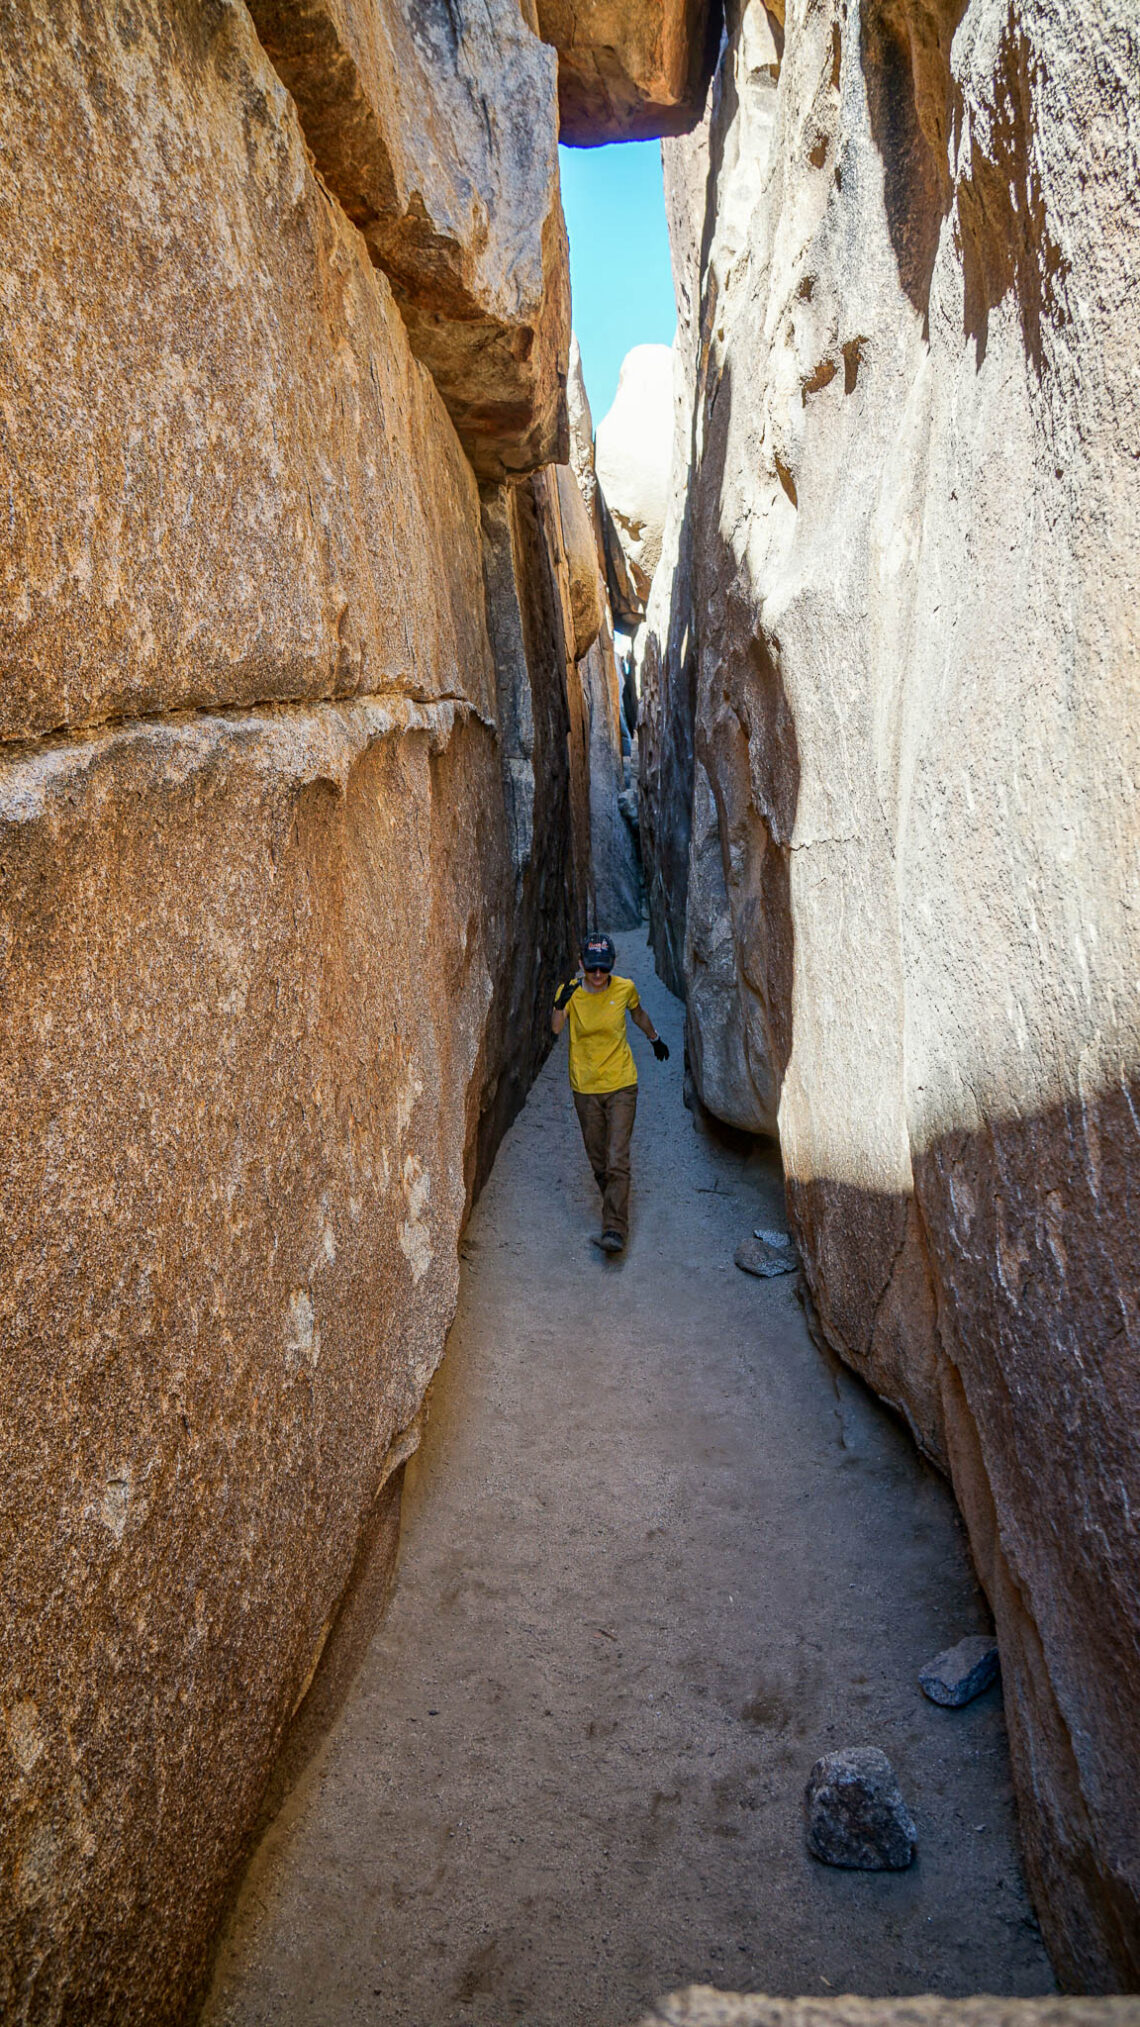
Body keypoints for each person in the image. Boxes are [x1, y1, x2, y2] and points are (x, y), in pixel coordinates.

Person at [551, 933, 669, 1255]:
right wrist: (559, 1006)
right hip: (585, 1087)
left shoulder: (624, 988)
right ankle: (613, 1206)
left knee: (617, 1158)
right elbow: (556, 1028)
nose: (599, 976)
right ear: (581, 965)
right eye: (592, 970)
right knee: (599, 1161)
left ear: (612, 966)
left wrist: (654, 1038)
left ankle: (615, 1229)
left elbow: (638, 1013)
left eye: (604, 969)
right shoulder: (571, 992)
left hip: (621, 1083)